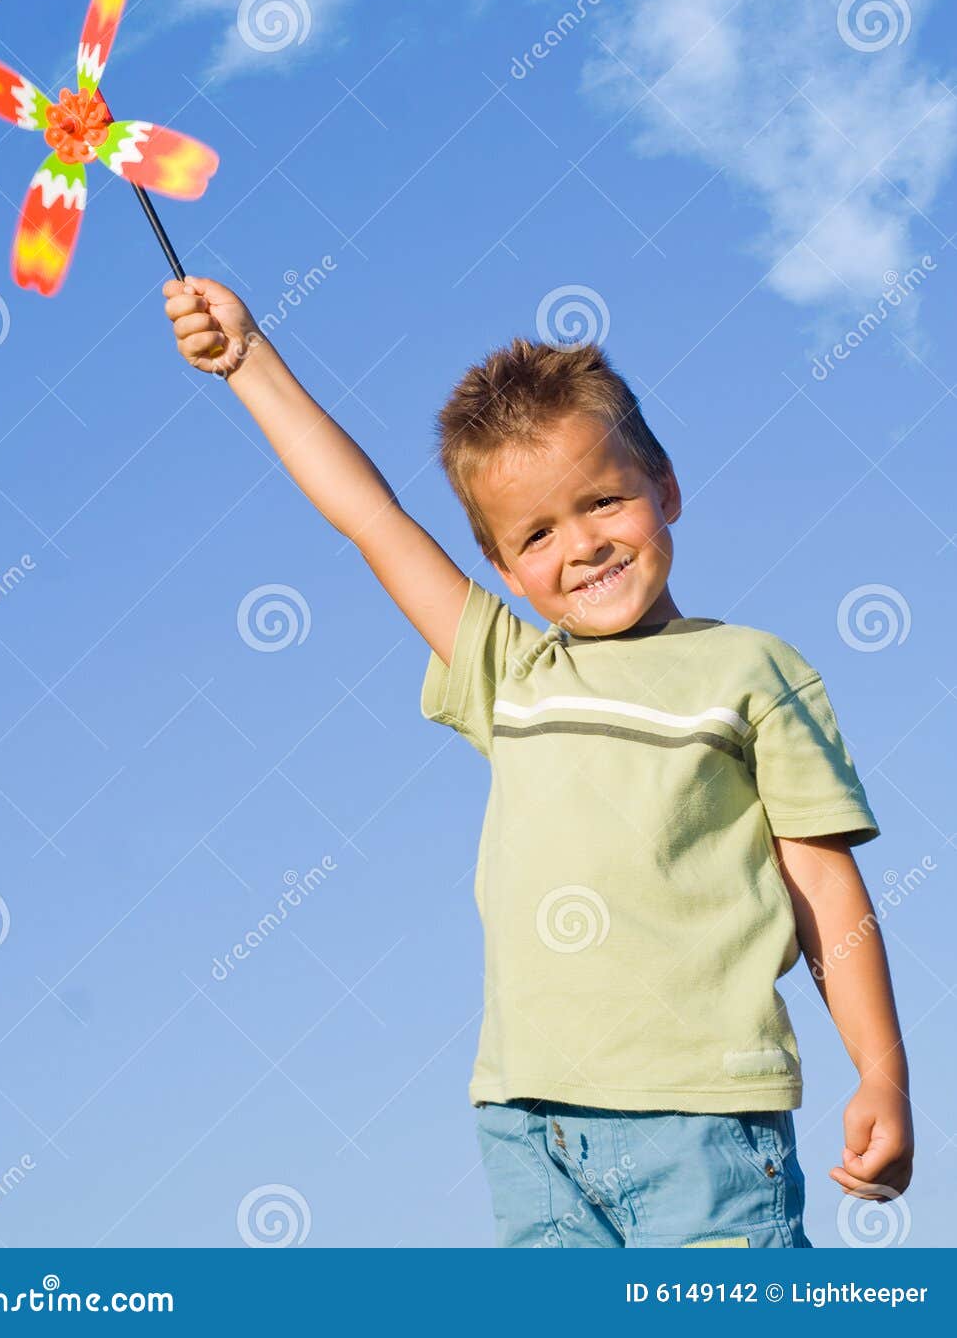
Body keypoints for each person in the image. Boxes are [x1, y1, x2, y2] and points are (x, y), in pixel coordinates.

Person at [162, 275, 914, 1249]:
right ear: (499, 564)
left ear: (664, 487)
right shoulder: (508, 672)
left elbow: (818, 876)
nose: (582, 545)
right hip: (527, 1126)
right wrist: (247, 359)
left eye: (602, 499)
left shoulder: (749, 669)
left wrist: (880, 1072)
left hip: (701, 1115)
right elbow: (368, 517)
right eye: (537, 533)